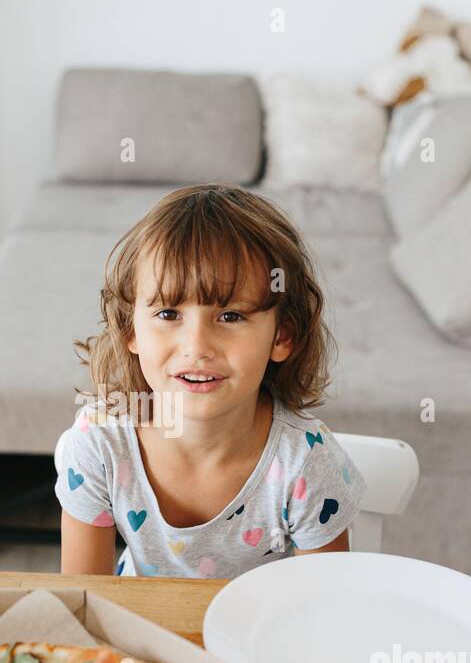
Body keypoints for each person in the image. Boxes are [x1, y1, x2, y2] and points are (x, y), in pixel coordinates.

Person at [56, 184, 366, 578]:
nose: (197, 346)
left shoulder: (307, 463)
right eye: (169, 314)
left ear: (282, 336)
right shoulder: (100, 440)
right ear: (129, 329)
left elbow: (319, 611)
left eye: (231, 316)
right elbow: (85, 603)